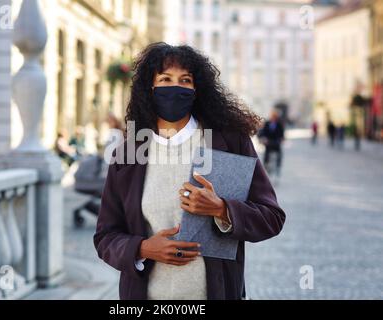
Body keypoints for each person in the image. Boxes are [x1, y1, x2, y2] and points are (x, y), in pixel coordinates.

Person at [93, 43, 286, 300]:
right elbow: (106, 236)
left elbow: (271, 217)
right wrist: (142, 248)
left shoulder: (229, 142)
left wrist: (222, 209)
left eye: (185, 80)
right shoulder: (128, 154)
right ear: (149, 89)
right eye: (165, 79)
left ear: (197, 89)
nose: (176, 87)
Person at [258, 110, 285, 176]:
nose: (274, 117)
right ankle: (266, 166)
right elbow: (263, 132)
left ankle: (278, 166)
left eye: (275, 116)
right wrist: (263, 138)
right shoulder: (267, 123)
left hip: (276, 142)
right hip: (268, 142)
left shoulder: (279, 124)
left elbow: (282, 133)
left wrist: (281, 139)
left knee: (279, 154)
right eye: (273, 116)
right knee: (266, 153)